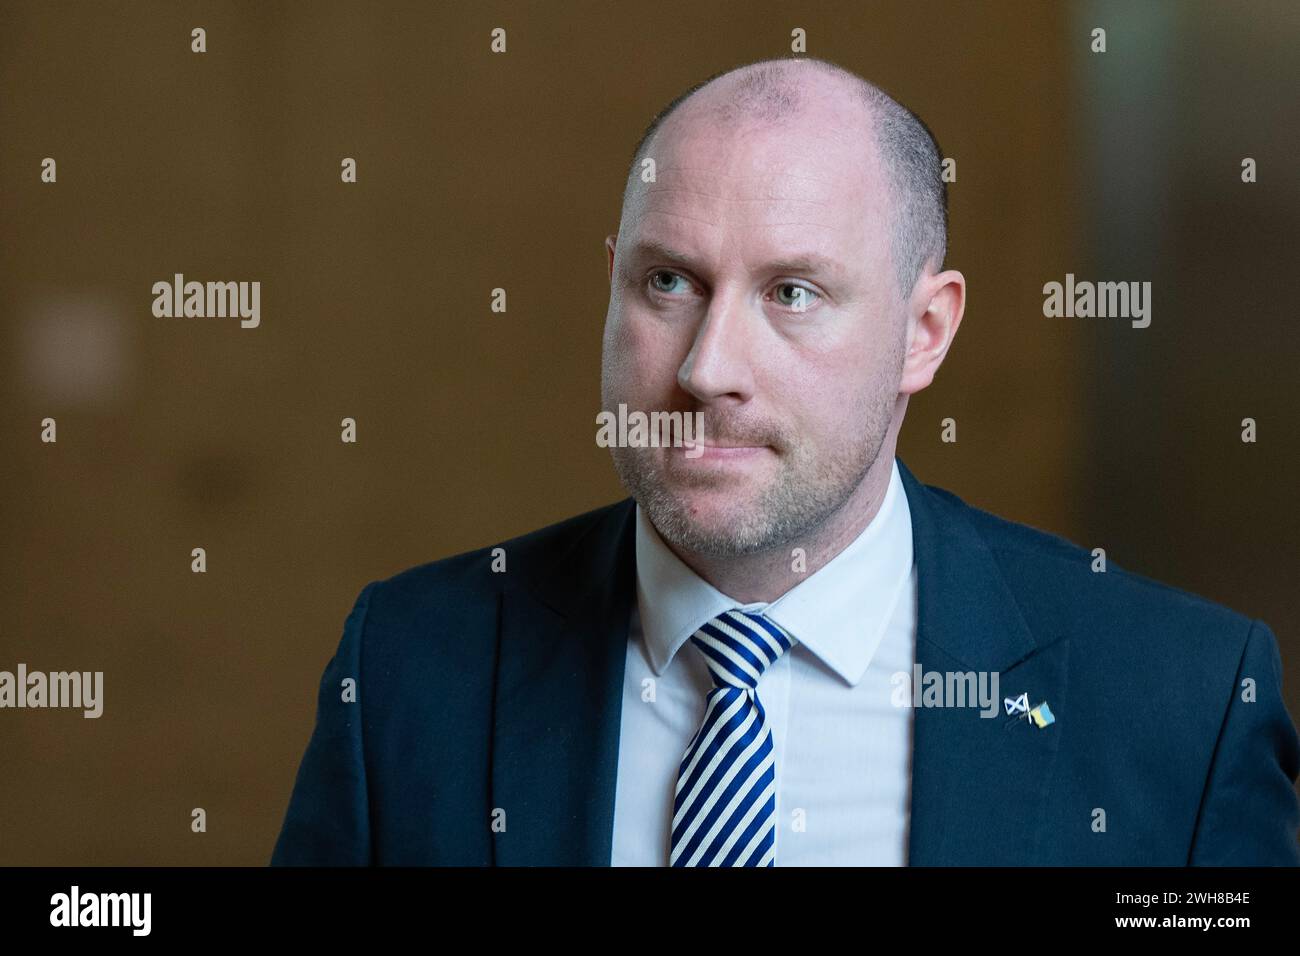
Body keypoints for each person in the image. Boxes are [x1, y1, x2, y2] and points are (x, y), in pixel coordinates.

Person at [271, 55, 1300, 866]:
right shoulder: (409, 671)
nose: (708, 366)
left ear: (924, 332)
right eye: (667, 281)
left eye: (791, 293)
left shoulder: (1181, 706)